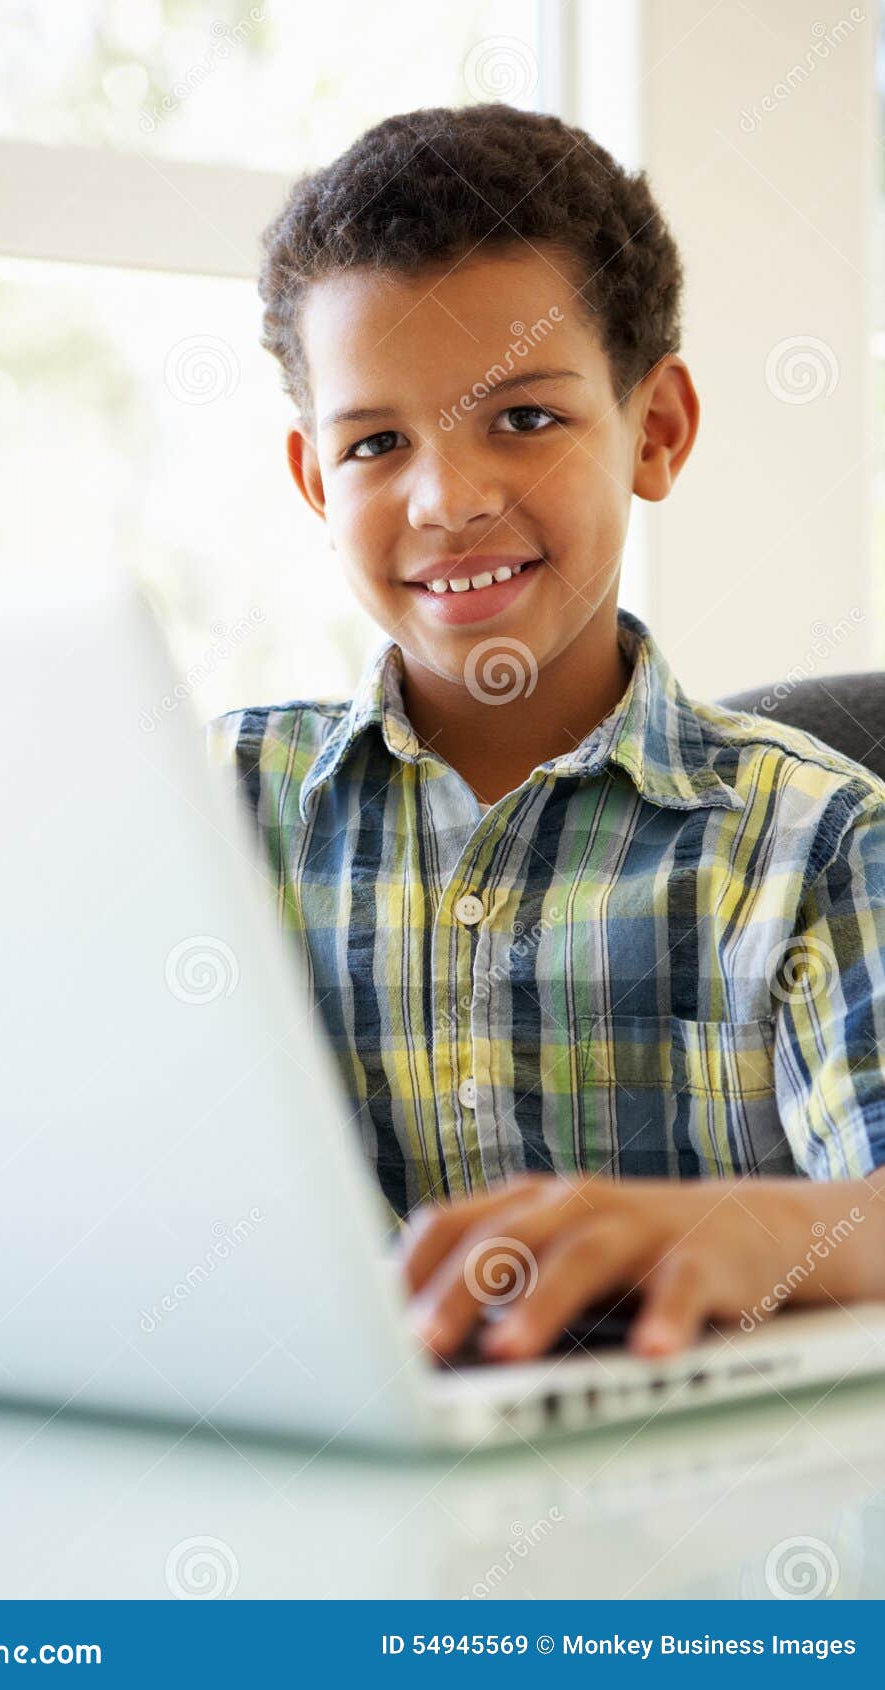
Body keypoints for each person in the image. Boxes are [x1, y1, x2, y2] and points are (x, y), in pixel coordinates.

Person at [206, 103, 885, 1364]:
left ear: (656, 429)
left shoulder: (819, 841)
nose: (448, 497)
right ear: (313, 478)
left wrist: (748, 1226)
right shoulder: (211, 812)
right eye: (375, 442)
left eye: (522, 418)